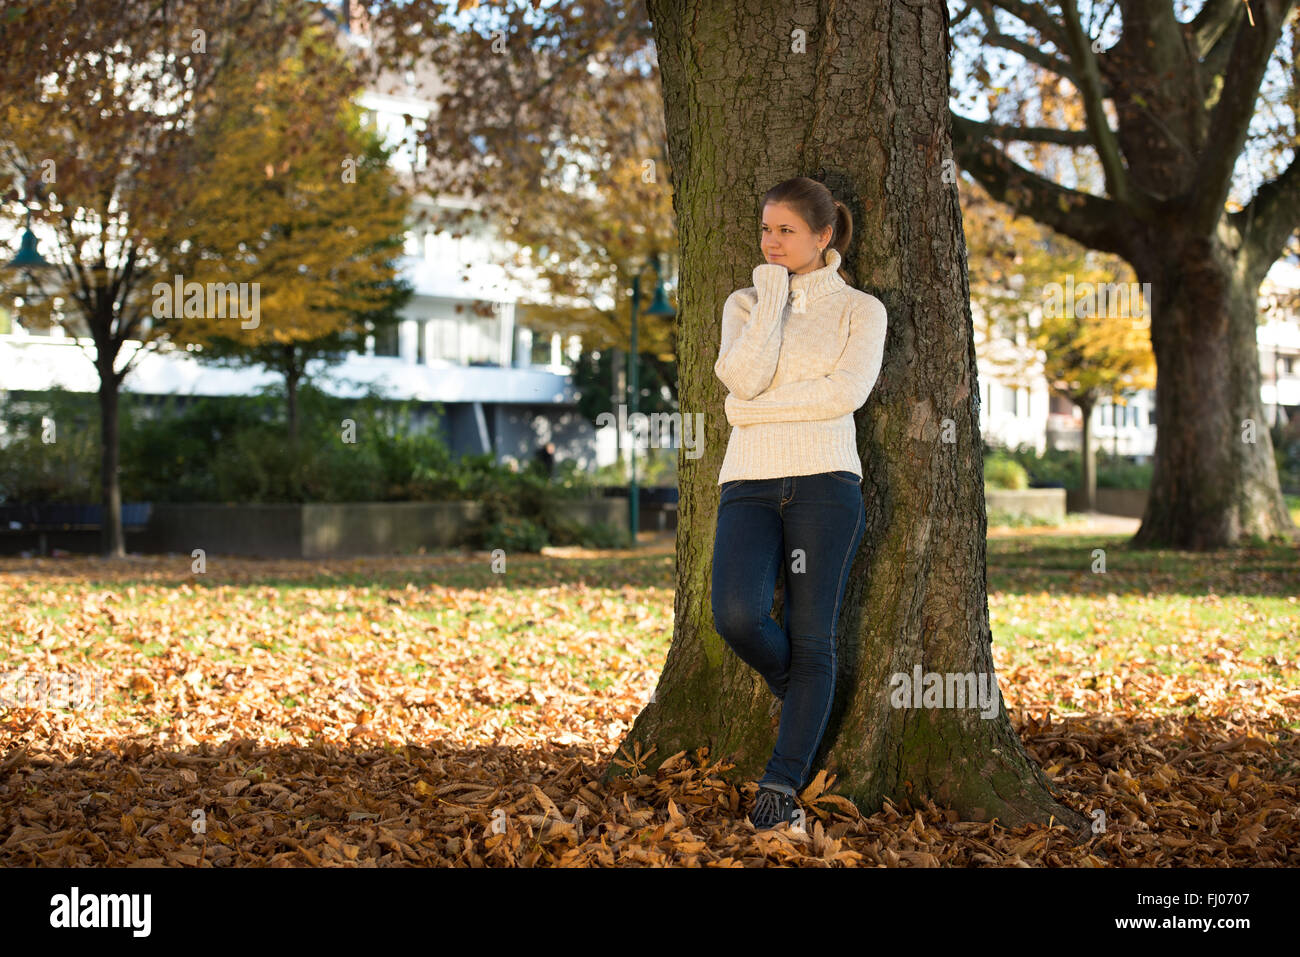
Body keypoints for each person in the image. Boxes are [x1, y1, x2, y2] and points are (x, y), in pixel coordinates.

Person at [711, 176, 887, 830]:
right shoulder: (744, 303)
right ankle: (802, 695)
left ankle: (780, 788)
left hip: (824, 485)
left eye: (786, 230)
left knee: (815, 637)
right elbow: (743, 377)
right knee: (735, 614)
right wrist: (775, 295)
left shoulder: (861, 311)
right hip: (748, 482)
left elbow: (844, 393)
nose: (772, 240)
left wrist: (746, 412)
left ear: (823, 235)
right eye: (766, 229)